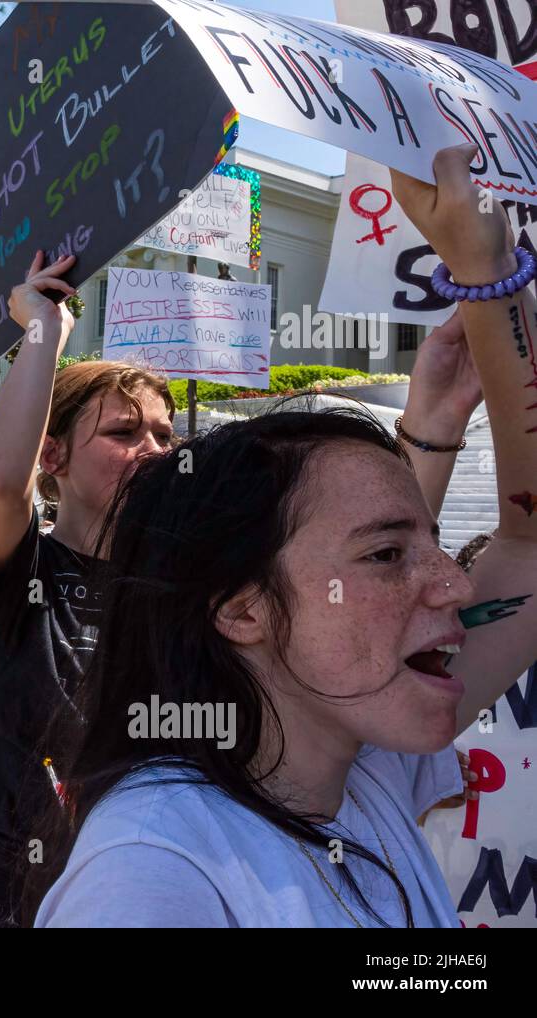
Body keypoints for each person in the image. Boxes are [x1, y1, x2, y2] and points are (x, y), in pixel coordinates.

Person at [35, 143, 537, 926]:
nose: (459, 584)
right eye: (386, 556)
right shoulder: (152, 876)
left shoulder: (356, 763)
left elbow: (532, 546)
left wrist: (487, 274)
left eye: (426, 546)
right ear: (240, 610)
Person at [0, 250, 176, 927]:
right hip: (28, 889)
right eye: (125, 431)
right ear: (54, 458)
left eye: (166, 435)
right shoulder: (25, 578)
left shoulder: (190, 588)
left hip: (162, 881)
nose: (156, 450)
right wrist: (43, 333)